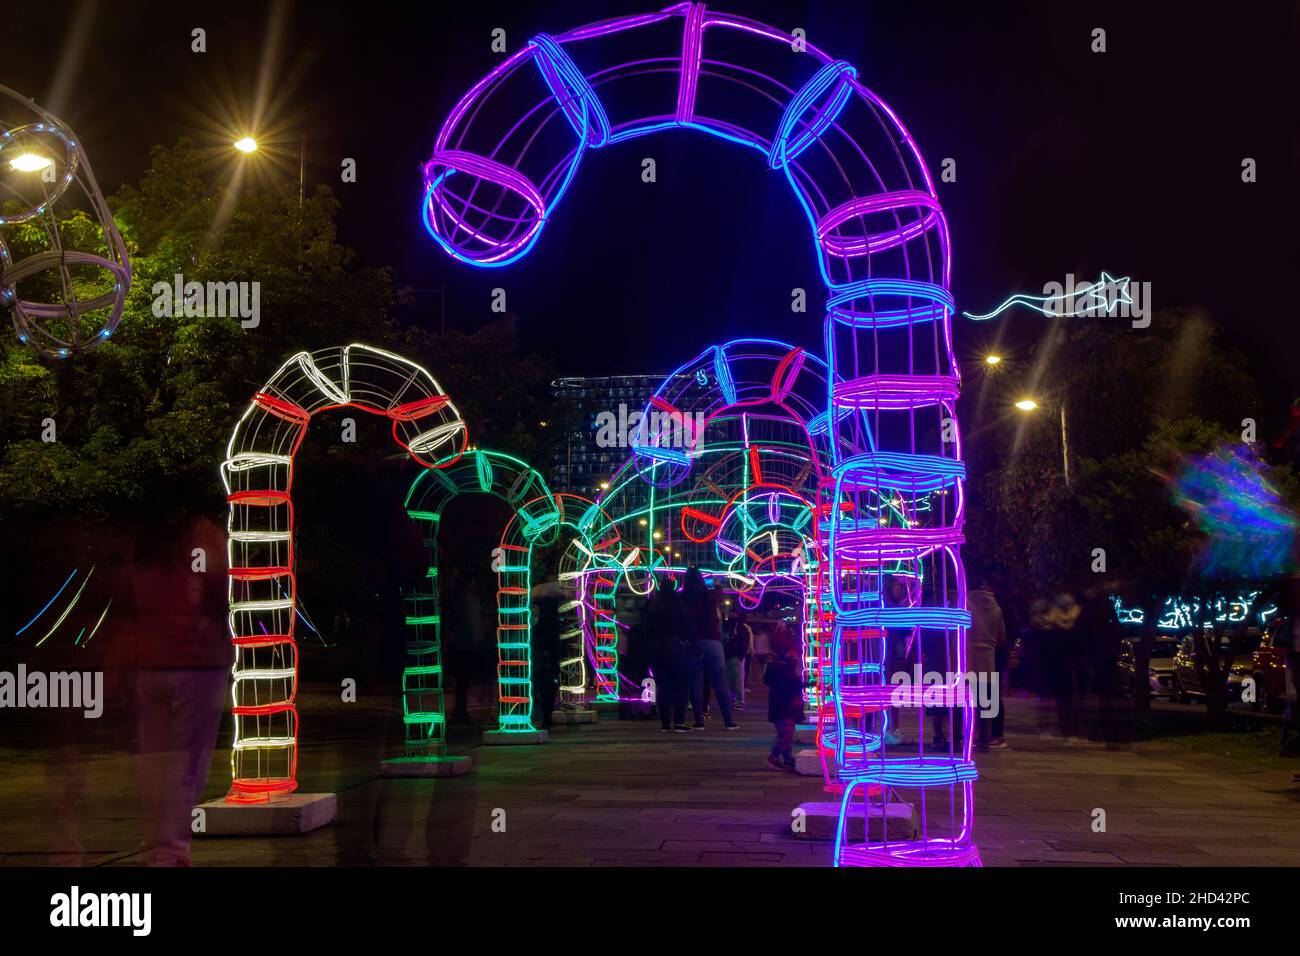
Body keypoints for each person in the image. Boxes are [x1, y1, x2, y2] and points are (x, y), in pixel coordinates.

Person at [127, 510, 230, 866]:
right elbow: (222, 590)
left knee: (155, 761)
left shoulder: (144, 541)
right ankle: (171, 853)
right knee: (188, 765)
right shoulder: (201, 534)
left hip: (151, 663)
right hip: (197, 663)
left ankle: (156, 846)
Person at [680, 567, 739, 729]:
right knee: (720, 683)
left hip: (694, 643)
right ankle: (728, 721)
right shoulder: (709, 595)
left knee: (696, 684)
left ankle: (699, 721)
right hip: (713, 642)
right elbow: (719, 593)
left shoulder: (684, 597)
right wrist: (717, 584)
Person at [967, 574, 1009, 752]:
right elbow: (1002, 637)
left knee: (969, 700)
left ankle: (970, 736)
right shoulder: (997, 609)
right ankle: (986, 738)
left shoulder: (966, 603)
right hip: (988, 658)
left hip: (968, 656)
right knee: (987, 700)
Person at [764, 624, 803, 770]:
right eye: (792, 652)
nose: (795, 655)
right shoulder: (783, 668)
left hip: (783, 705)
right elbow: (790, 685)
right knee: (785, 734)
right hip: (784, 706)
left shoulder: (780, 666)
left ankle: (787, 758)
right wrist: (803, 684)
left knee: (787, 732)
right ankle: (773, 757)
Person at [530, 577, 562, 730]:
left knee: (542, 685)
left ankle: (544, 715)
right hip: (551, 657)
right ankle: (547, 716)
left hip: (542, 657)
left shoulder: (539, 623)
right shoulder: (554, 621)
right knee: (550, 686)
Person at [724, 609, 752, 710]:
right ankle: (734, 700)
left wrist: (741, 655)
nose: (732, 616)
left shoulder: (739, 627)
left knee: (737, 680)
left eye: (733, 614)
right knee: (731, 680)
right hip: (730, 656)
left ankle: (739, 701)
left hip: (735, 656)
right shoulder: (732, 627)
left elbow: (744, 642)